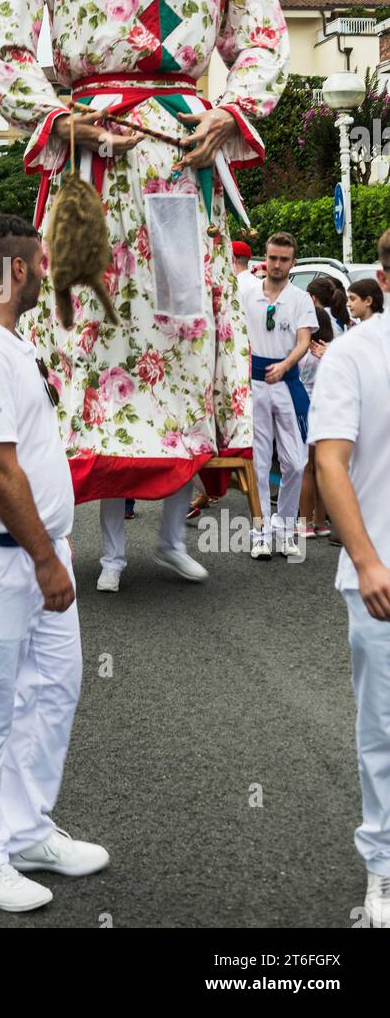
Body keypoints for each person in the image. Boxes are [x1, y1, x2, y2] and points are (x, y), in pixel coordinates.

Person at [0, 0, 289, 595]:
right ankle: (104, 546)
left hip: (186, 154)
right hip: (91, 161)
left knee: (186, 335)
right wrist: (57, 115)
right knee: (96, 336)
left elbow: (260, 33)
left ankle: (176, 532)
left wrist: (230, 112)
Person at [0, 212, 107, 913]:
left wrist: (50, 551)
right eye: (37, 263)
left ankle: (25, 829)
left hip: (34, 552)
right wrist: (44, 557)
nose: (46, 273)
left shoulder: (2, 338)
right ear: (15, 271)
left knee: (49, 692)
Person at [309, 229, 390, 928]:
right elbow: (329, 462)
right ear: (384, 280)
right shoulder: (354, 356)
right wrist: (365, 558)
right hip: (382, 571)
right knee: (385, 730)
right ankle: (384, 872)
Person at [242, 233, 317, 559]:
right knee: (258, 464)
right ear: (265, 259)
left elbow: (304, 341)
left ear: (292, 263)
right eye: (272, 258)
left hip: (286, 383)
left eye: (283, 260)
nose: (276, 264)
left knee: (296, 463)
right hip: (254, 384)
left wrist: (286, 363)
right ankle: (260, 534)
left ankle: (285, 529)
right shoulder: (247, 294)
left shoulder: (300, 299)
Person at [298, 306, 335, 540]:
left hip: (306, 411)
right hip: (328, 412)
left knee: (306, 468)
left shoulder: (304, 352)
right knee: (322, 469)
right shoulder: (330, 352)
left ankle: (305, 523)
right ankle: (321, 522)